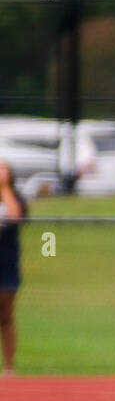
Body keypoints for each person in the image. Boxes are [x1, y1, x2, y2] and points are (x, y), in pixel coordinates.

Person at [0, 161, 28, 376]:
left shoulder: (15, 198)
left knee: (6, 317)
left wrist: (4, 188)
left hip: (7, 267)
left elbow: (15, 216)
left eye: (4, 169)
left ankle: (9, 367)